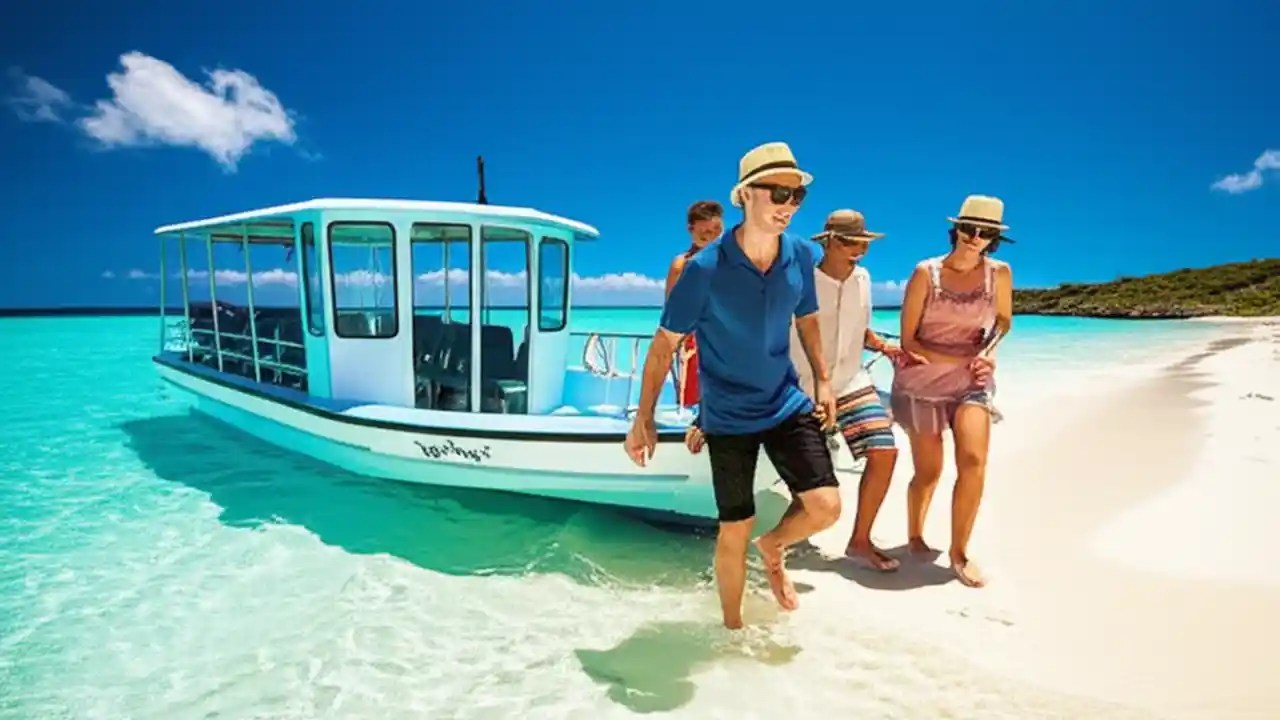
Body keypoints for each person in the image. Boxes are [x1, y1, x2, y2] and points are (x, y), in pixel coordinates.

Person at [624, 141, 841, 630]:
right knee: (734, 529)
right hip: (727, 415)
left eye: (797, 195)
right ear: (745, 195)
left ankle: (775, 545)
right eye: (778, 193)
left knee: (825, 507)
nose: (789, 205)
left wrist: (824, 380)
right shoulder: (703, 270)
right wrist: (644, 419)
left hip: (784, 401)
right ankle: (732, 631)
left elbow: (807, 317)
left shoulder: (801, 254)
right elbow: (663, 346)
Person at [890, 194, 1014, 588]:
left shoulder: (1000, 274)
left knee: (974, 460)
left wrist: (988, 354)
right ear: (956, 229)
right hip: (922, 380)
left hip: (971, 381)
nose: (975, 237)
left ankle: (959, 553)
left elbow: (1003, 322)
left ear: (993, 238)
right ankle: (914, 535)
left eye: (985, 233)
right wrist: (955, 359)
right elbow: (909, 340)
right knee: (929, 472)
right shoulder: (926, 273)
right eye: (968, 229)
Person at [664, 201, 724, 416]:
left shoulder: (732, 261)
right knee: (693, 398)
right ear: (691, 229)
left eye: (716, 230)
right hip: (694, 339)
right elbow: (671, 308)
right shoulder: (683, 264)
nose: (711, 236)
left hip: (726, 336)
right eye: (704, 232)